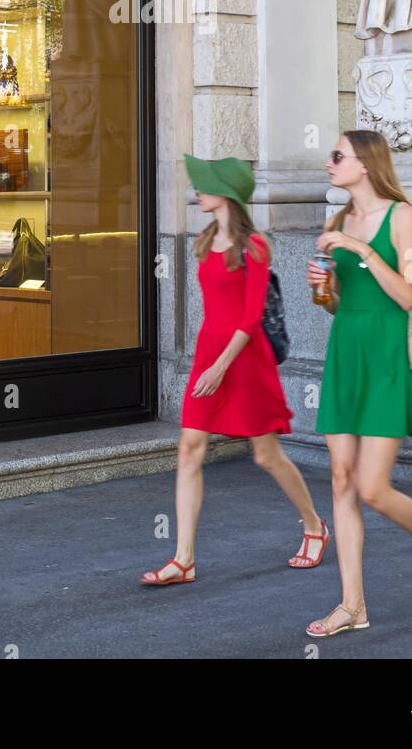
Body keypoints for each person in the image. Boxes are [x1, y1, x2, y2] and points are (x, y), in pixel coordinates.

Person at [305, 129, 412, 636]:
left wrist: (360, 250)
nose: (330, 163)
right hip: (346, 353)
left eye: (338, 155)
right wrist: (324, 290)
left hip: (386, 357)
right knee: (340, 481)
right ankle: (352, 605)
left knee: (372, 489)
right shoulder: (336, 219)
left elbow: (408, 296)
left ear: (366, 163)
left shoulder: (404, 217)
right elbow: (336, 304)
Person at [141, 155, 328, 586]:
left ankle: (315, 526)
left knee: (266, 455)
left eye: (205, 186)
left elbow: (249, 318)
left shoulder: (255, 247)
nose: (197, 192)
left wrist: (220, 366)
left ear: (225, 194)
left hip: (244, 361)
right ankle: (183, 559)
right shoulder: (205, 240)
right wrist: (206, 361)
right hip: (211, 356)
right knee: (189, 448)